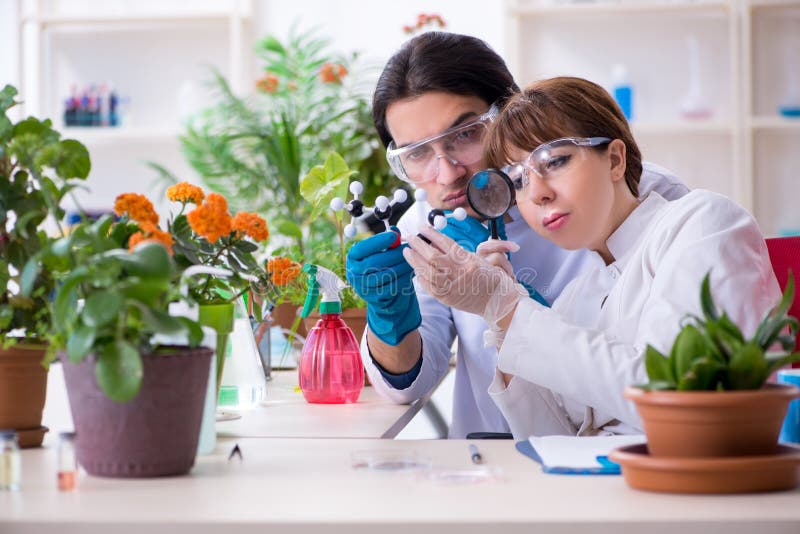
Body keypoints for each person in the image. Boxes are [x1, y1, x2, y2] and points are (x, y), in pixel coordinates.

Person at [346, 32, 688, 438]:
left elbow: (641, 376)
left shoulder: (624, 195)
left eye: (465, 134)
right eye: (417, 153)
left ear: (508, 113)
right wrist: (390, 316)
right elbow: (410, 384)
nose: (448, 172)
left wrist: (505, 301)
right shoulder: (425, 227)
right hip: (493, 451)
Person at [402, 76, 781, 438]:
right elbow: (550, 439)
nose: (537, 193)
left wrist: (508, 309)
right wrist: (499, 320)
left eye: (554, 162)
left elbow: (681, 403)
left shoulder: (703, 223)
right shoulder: (581, 293)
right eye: (517, 180)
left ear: (615, 159)